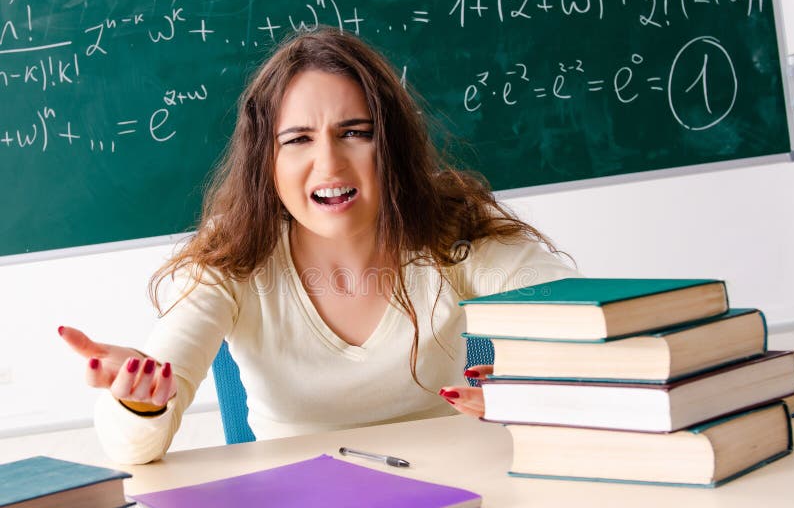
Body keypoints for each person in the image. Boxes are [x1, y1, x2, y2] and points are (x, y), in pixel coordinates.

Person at [59, 27, 578, 464]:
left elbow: (588, 320)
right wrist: (140, 399)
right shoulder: (231, 256)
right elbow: (133, 449)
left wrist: (540, 389)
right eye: (298, 139)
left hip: (460, 499)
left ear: (390, 147)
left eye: (354, 132)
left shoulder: (453, 228)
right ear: (266, 161)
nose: (329, 165)